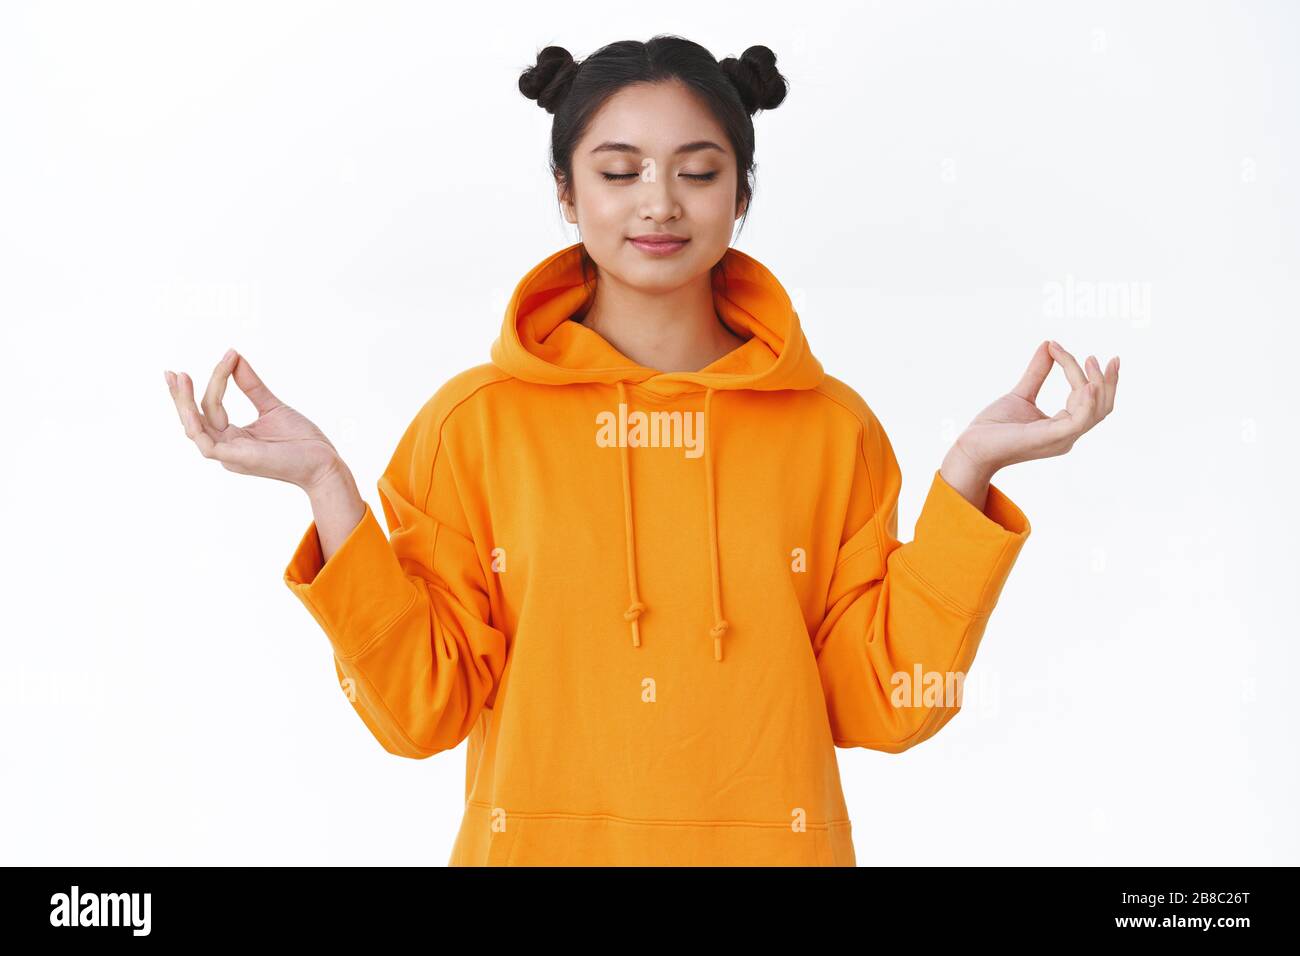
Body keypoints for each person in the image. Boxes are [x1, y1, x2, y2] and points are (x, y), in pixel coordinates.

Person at [164, 35, 1119, 866]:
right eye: (619, 172)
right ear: (566, 193)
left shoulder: (834, 429)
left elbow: (883, 703)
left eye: (697, 171)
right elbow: (422, 710)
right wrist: (327, 487)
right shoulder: (473, 426)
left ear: (742, 193)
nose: (658, 203)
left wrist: (967, 481)